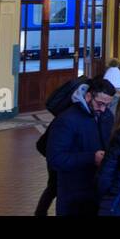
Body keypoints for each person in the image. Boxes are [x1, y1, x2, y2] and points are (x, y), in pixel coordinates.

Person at [46, 77, 116, 216]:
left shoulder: (106, 116)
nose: (103, 109)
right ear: (88, 96)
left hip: (98, 190)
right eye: (100, 104)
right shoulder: (67, 120)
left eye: (107, 105)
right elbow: (55, 158)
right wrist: (91, 158)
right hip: (74, 195)